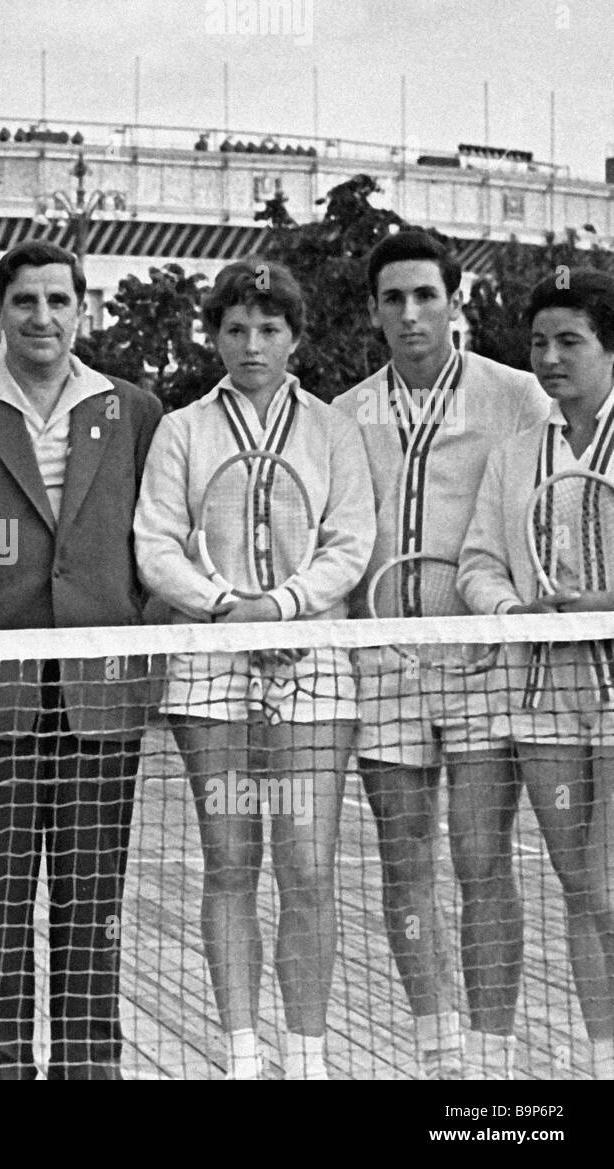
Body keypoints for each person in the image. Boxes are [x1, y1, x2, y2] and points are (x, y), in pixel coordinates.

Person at [0, 239, 162, 1080]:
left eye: (59, 300)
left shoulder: (134, 409)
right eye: (25, 301)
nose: (43, 317)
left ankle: (91, 1069)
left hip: (99, 699)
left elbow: (146, 546)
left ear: (82, 309)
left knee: (93, 910)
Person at [135, 258, 374, 1079]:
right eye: (235, 329)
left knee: (307, 866)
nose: (252, 344)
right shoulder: (182, 428)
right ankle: (243, 1052)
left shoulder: (332, 427)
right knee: (230, 860)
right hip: (211, 673)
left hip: (314, 667)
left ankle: (304, 1055)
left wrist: (281, 607)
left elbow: (351, 542)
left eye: (269, 329)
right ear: (214, 336)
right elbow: (156, 543)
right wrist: (222, 607)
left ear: (295, 336)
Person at [333, 229, 550, 1079]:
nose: (411, 313)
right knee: (404, 860)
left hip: (485, 666)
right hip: (384, 667)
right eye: (394, 298)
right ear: (375, 311)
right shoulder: (346, 412)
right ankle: (440, 1053)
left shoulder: (518, 395)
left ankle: (493, 1060)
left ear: (456, 301)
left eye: (427, 295)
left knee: (482, 858)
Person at [459, 268, 614, 1081]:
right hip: (543, 695)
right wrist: (514, 612)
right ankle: (600, 1056)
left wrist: (602, 601)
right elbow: (479, 562)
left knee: (605, 879)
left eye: (570, 341)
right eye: (538, 343)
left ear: (608, 346)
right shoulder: (518, 452)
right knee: (580, 885)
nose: (549, 358)